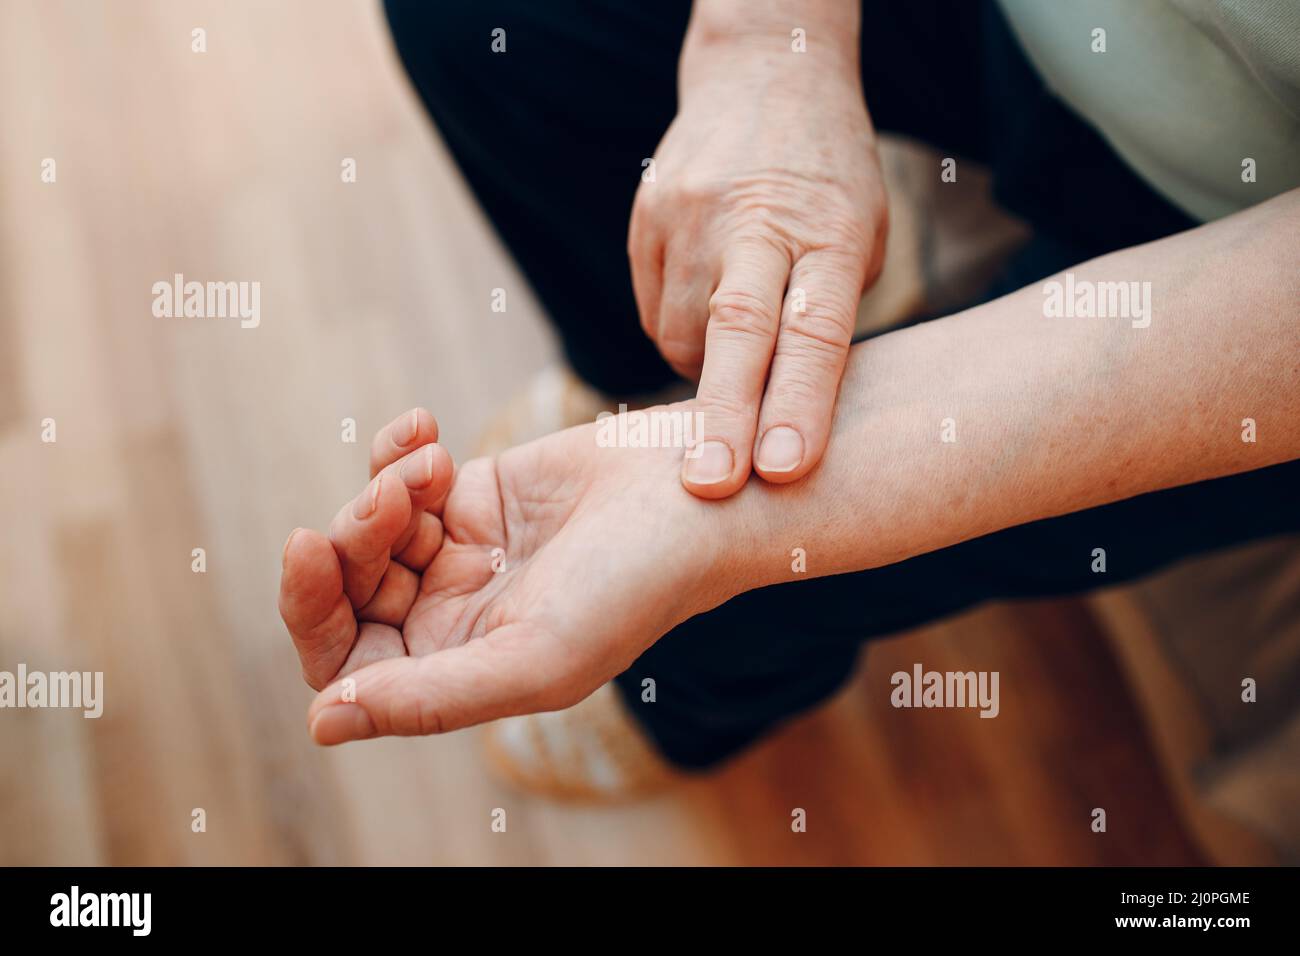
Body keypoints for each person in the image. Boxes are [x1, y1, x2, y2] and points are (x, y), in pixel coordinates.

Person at [279, 0, 1300, 798]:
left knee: (749, 551)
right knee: (473, 21)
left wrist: (769, 507)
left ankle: (684, 704)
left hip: (1246, 263)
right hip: (1041, 31)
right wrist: (767, 39)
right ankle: (638, 369)